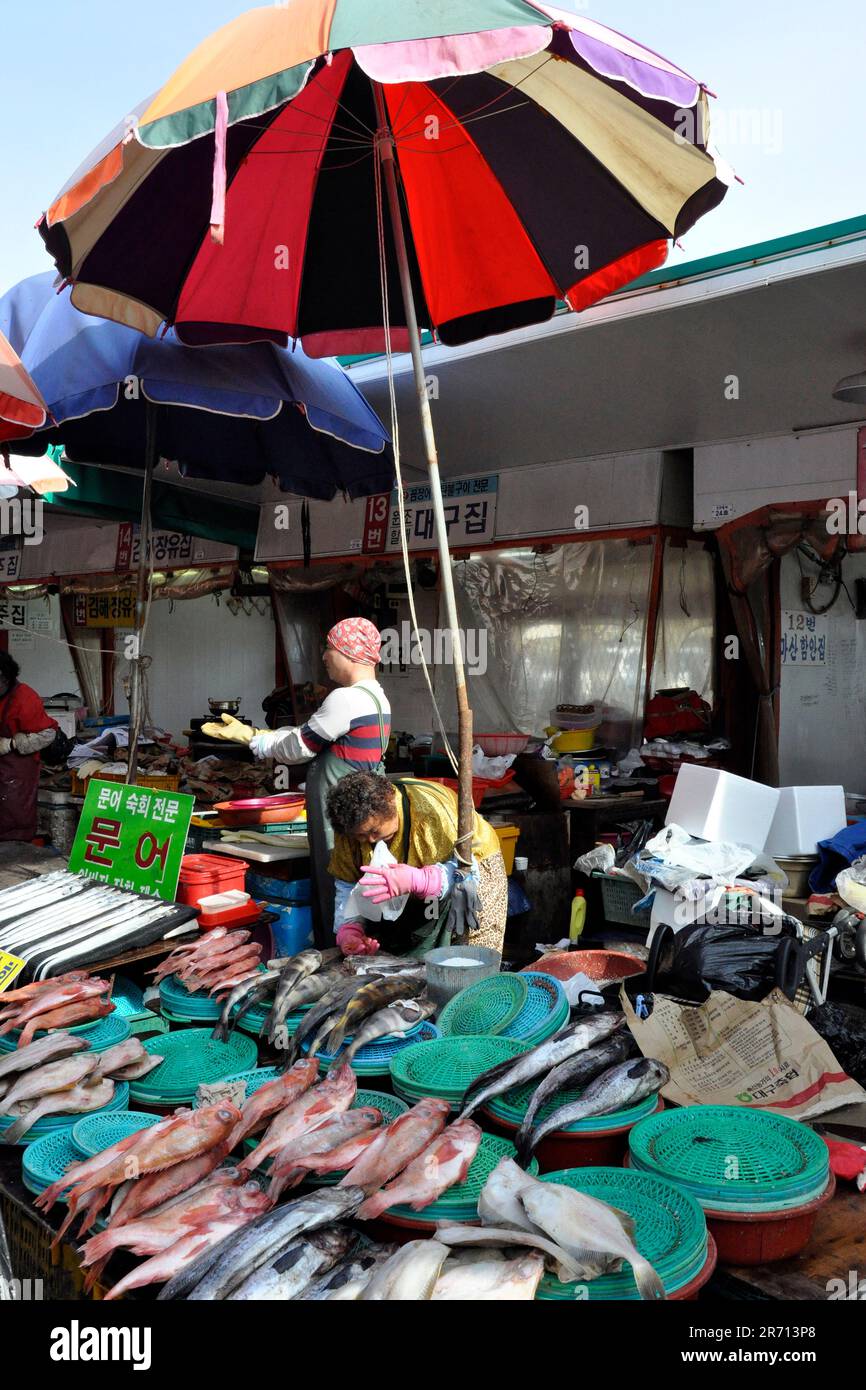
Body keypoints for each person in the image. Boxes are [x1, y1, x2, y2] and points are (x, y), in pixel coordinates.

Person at [202, 619, 390, 942]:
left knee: (335, 886)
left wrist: (255, 739)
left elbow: (299, 746)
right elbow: (308, 735)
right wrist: (261, 736)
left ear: (349, 652)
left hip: (340, 821)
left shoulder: (346, 700)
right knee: (354, 891)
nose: (325, 656)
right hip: (358, 814)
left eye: (330, 648)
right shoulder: (377, 700)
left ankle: (337, 952)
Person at [327, 771, 508, 958]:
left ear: (391, 804)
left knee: (473, 955)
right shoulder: (349, 828)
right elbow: (347, 883)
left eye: (374, 830)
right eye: (361, 836)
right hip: (415, 892)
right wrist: (349, 928)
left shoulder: (430, 816)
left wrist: (419, 880)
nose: (370, 840)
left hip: (474, 863)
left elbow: (467, 872)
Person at [0, 653, 59, 842]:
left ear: (4, 677)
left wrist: (12, 743)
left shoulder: (24, 697)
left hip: (17, 773)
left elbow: (48, 733)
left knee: (14, 819)